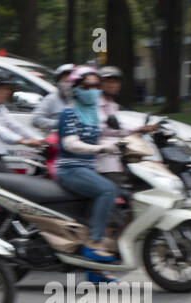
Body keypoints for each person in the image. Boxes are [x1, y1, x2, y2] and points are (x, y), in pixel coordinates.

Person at [54, 66, 123, 282]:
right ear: (75, 89)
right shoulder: (69, 112)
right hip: (70, 169)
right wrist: (99, 149)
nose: (92, 90)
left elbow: (110, 132)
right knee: (107, 190)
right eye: (87, 86)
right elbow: (71, 143)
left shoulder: (93, 113)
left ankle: (95, 271)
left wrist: (131, 138)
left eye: (95, 85)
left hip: (88, 169)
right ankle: (93, 245)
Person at [97, 65, 157, 186]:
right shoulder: (96, 102)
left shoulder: (111, 103)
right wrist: (136, 129)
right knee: (114, 178)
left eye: (116, 82)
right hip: (101, 150)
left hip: (113, 146)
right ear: (100, 84)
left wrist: (141, 129)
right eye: (109, 81)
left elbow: (118, 124)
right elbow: (104, 128)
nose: (113, 85)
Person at [32, 64, 76, 133]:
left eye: (72, 82)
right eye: (65, 81)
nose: (69, 85)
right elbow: (36, 119)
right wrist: (60, 123)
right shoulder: (51, 99)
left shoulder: (82, 99)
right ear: (58, 82)